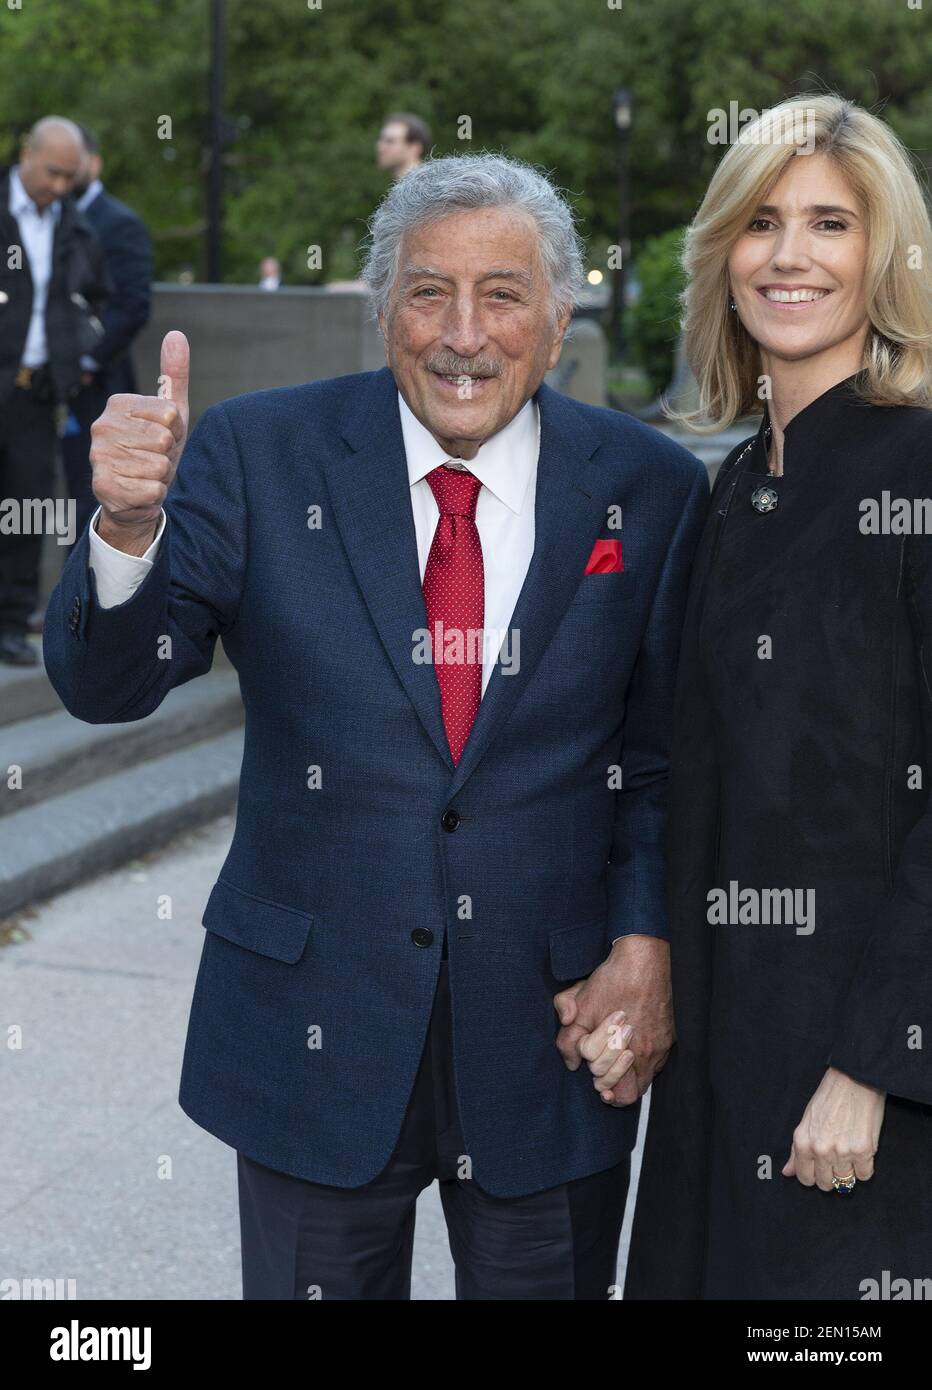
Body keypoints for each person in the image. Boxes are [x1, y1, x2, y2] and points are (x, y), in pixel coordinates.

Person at [43, 152, 708, 1301]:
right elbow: (115, 686)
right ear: (379, 309)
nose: (461, 333)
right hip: (312, 1025)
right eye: (423, 291)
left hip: (551, 1038)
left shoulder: (645, 487)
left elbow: (656, 762)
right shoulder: (258, 455)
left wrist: (645, 948)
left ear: (556, 321)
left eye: (502, 295)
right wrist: (124, 526)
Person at [623, 94, 932, 1300]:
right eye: (759, 223)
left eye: (828, 224)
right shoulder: (736, 481)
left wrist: (874, 1064)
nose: (788, 255)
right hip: (720, 1063)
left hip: (863, 1089)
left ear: (883, 254)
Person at [0, 116, 109, 665]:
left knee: (25, 502)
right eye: (53, 173)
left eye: (71, 177)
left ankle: (11, 623)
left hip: (38, 391)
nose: (61, 187)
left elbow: (98, 293)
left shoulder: (71, 221)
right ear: (26, 154)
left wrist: (79, 348)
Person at [60, 124, 153, 553]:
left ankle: (80, 599)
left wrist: (85, 363)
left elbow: (132, 306)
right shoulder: (42, 218)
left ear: (93, 162)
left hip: (94, 386)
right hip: (35, 388)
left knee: (88, 494)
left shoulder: (119, 224)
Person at [376, 112, 431, 180]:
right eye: (381, 140)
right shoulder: (426, 184)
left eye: (390, 141)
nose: (380, 147)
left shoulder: (430, 187)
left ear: (415, 148)